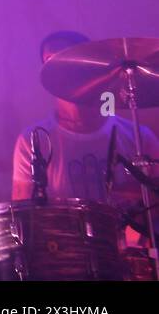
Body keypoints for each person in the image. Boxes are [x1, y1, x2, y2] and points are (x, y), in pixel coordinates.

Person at [12, 31, 159, 205]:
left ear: (91, 67)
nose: (59, 67)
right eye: (50, 59)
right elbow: (24, 217)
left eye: (68, 57)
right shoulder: (33, 142)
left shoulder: (139, 137)